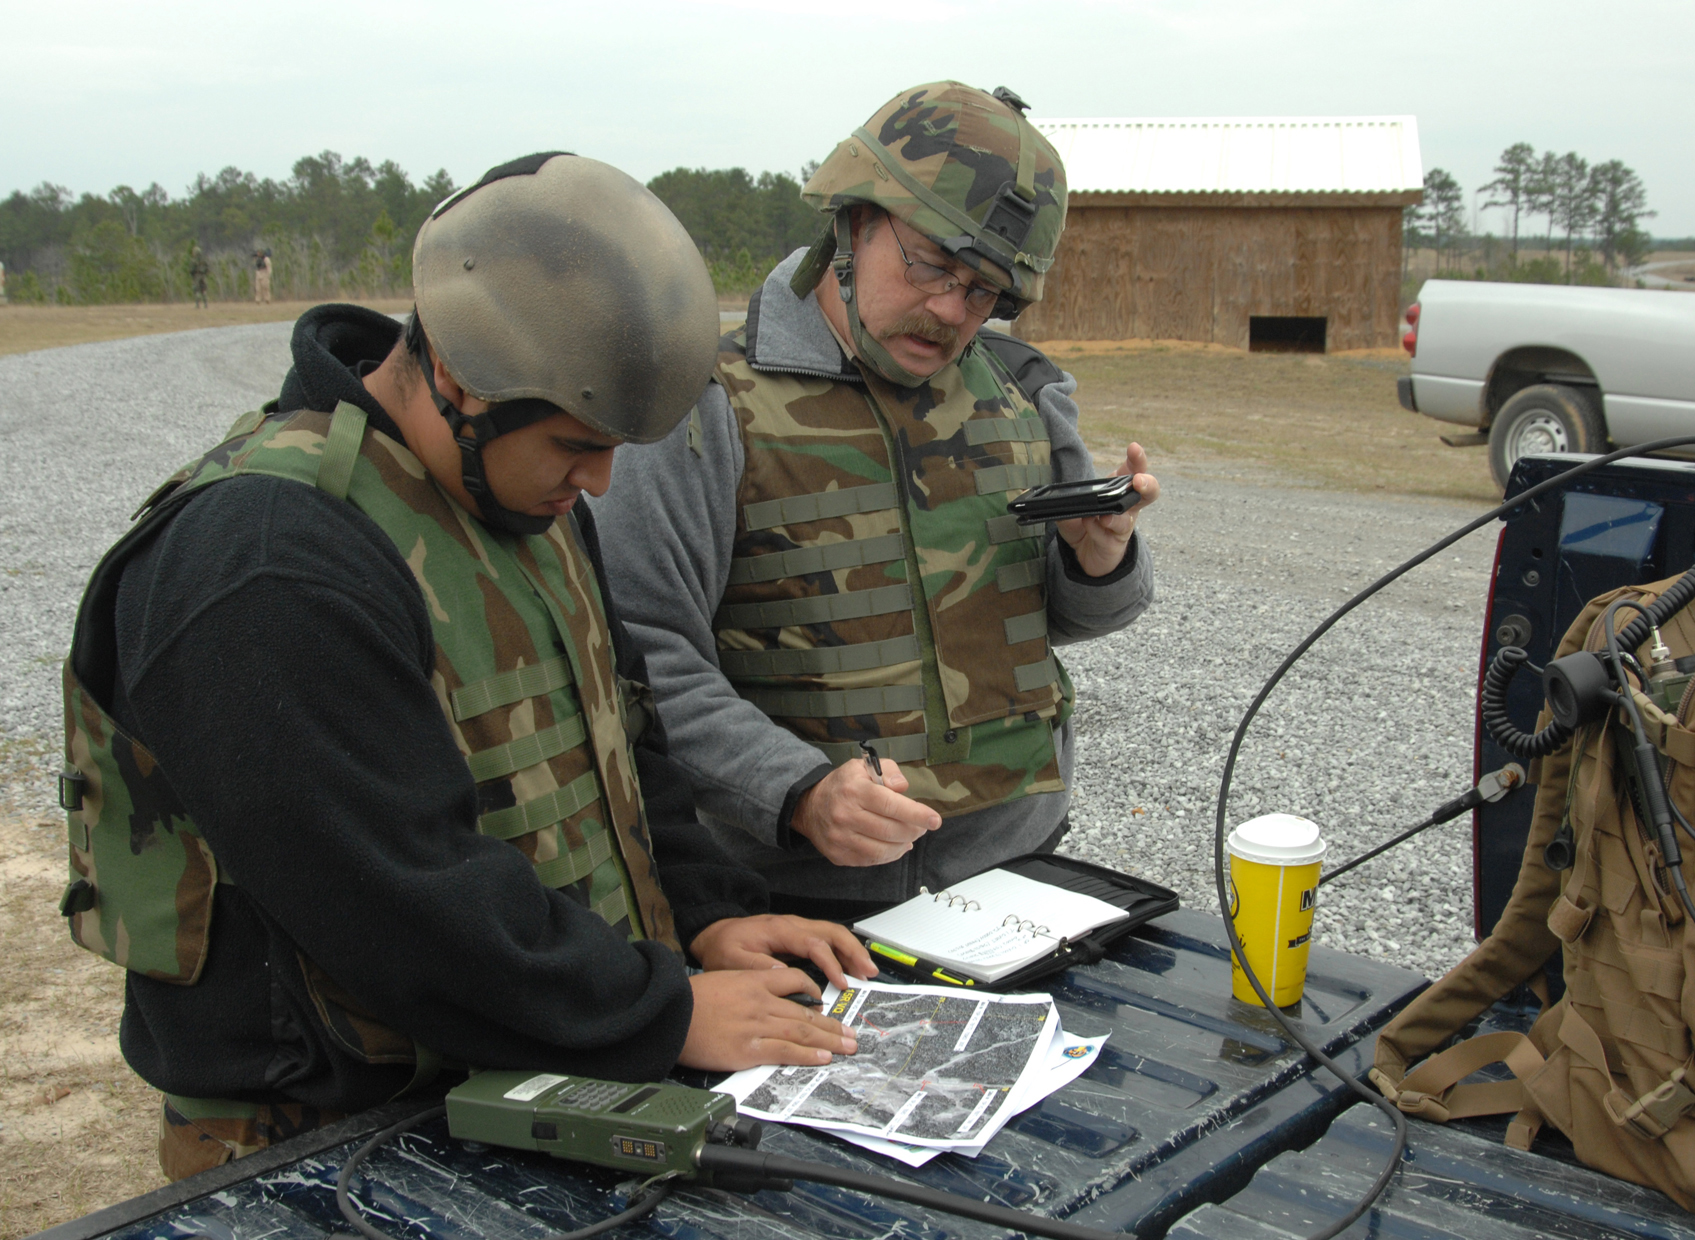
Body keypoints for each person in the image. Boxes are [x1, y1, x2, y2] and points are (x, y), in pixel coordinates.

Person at [58, 153, 875, 1180]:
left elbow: (626, 746)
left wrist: (712, 918)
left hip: (536, 1062)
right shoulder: (267, 566)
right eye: (578, 444)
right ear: (456, 377)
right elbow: (394, 894)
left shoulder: (513, 493)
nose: (601, 480)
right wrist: (659, 1013)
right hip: (328, 1138)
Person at [593, 84, 1158, 922]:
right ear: (853, 222)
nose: (950, 310)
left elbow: (1068, 617)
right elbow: (642, 656)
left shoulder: (1024, 393)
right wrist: (796, 789)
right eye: (931, 264)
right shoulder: (706, 404)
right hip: (797, 900)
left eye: (986, 292)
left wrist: (1100, 557)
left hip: (1014, 881)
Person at [187, 243, 209, 309]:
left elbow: (191, 270)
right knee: (204, 291)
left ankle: (197, 305)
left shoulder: (194, 260)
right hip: (203, 276)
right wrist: (204, 274)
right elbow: (207, 268)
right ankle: (206, 304)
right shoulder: (204, 260)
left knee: (197, 291)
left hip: (196, 276)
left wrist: (192, 275)